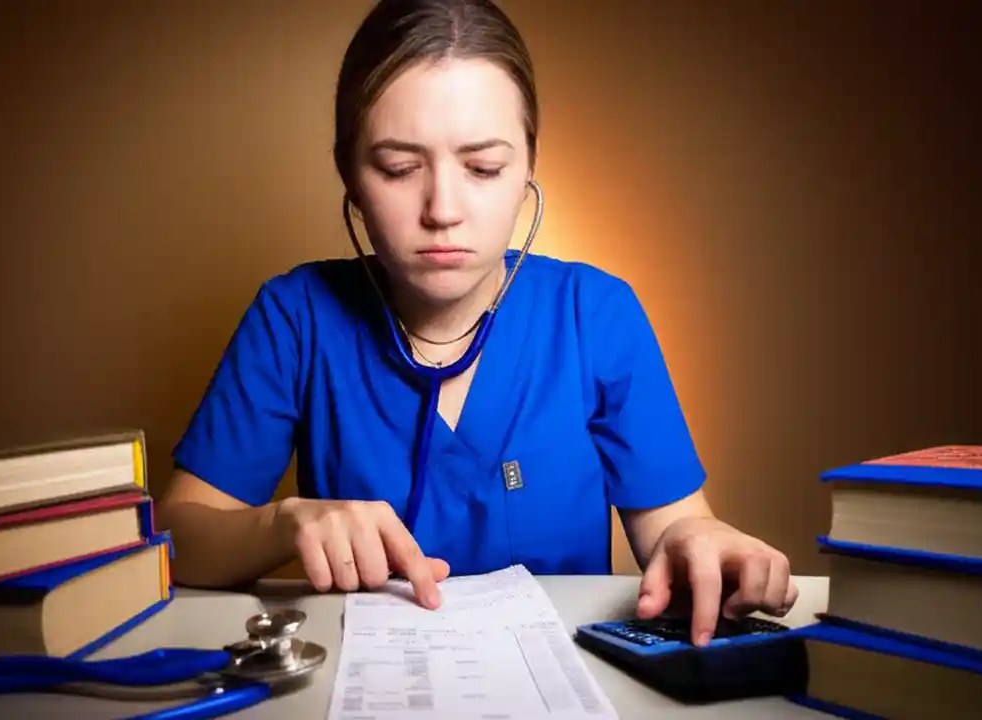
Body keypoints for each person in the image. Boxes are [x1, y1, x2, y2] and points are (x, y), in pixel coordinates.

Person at [158, 0, 797, 647]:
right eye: (399, 167)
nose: (443, 209)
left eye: (484, 167)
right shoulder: (294, 317)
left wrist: (699, 537)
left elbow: (673, 531)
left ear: (527, 171)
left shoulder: (595, 312)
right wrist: (282, 525)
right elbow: (175, 541)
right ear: (348, 174)